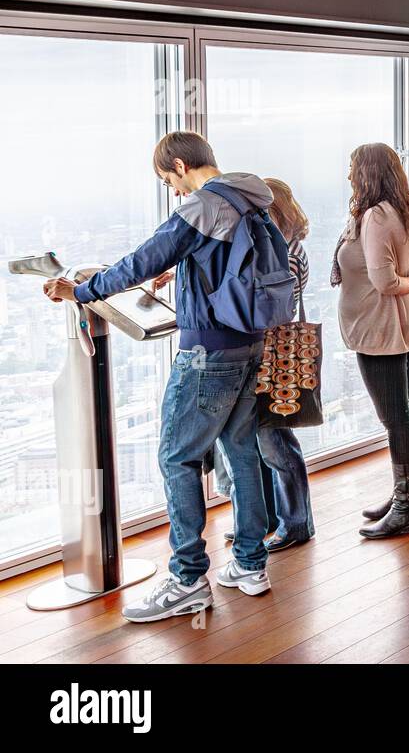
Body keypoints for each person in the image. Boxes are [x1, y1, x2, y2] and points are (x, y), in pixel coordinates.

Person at [42, 132, 274, 621]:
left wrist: (82, 291)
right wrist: (187, 271)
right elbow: (227, 265)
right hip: (250, 343)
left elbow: (143, 258)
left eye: (169, 179)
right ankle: (250, 565)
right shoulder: (250, 197)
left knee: (176, 457)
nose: (174, 191)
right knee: (241, 451)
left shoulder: (204, 205)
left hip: (208, 353)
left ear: (181, 164)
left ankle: (188, 580)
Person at [332, 143, 409, 539]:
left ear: (367, 173)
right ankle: (406, 496)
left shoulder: (375, 216)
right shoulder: (400, 211)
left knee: (395, 417)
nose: (350, 176)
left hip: (381, 329)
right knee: (403, 410)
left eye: (354, 168)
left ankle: (406, 507)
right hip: (396, 324)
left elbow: (385, 281)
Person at [255, 178, 316, 550]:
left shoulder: (285, 253)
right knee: (269, 441)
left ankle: (296, 523)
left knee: (277, 442)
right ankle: (279, 518)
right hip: (276, 353)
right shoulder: (289, 246)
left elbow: (275, 308)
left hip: (274, 356)